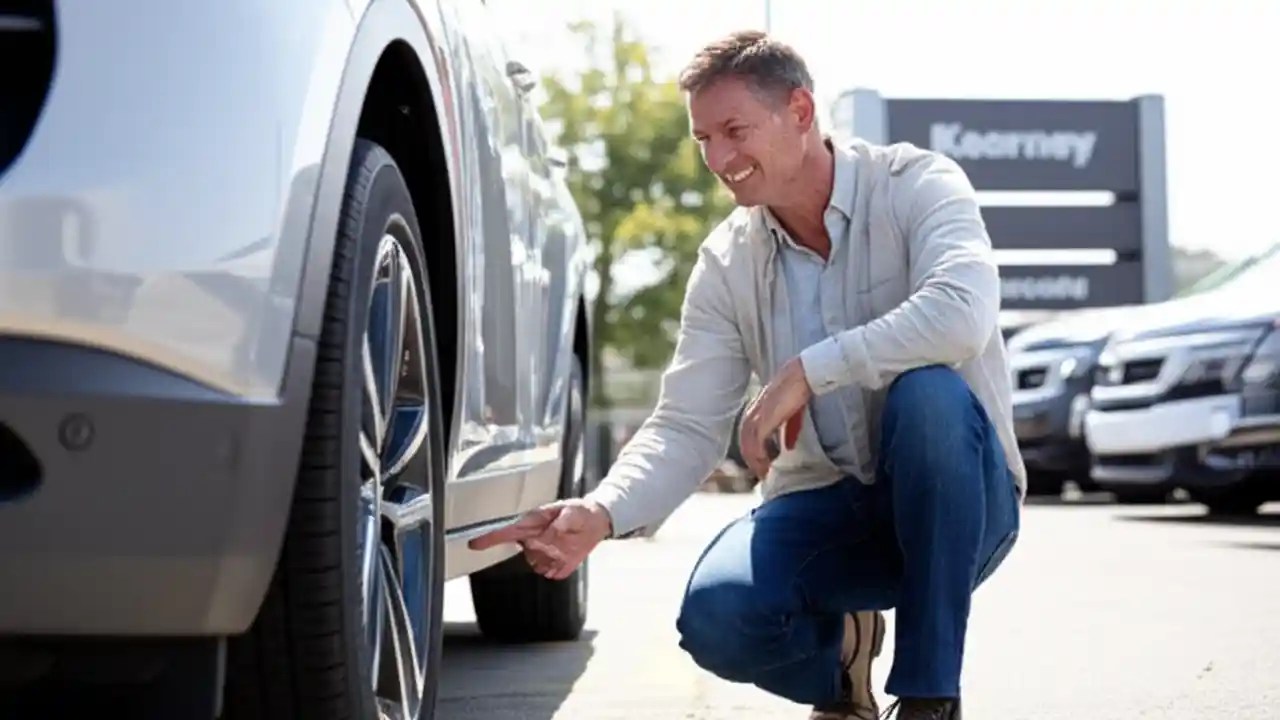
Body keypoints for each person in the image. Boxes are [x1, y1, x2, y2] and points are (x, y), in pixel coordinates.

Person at [470, 29, 1025, 720]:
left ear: (800, 110)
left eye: (735, 130)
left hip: (962, 510)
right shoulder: (726, 262)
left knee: (931, 395)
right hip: (828, 507)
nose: (719, 158)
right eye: (704, 139)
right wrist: (602, 510)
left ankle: (928, 696)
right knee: (717, 616)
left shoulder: (917, 185)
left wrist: (809, 370)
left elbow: (961, 314)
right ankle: (841, 672)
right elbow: (687, 423)